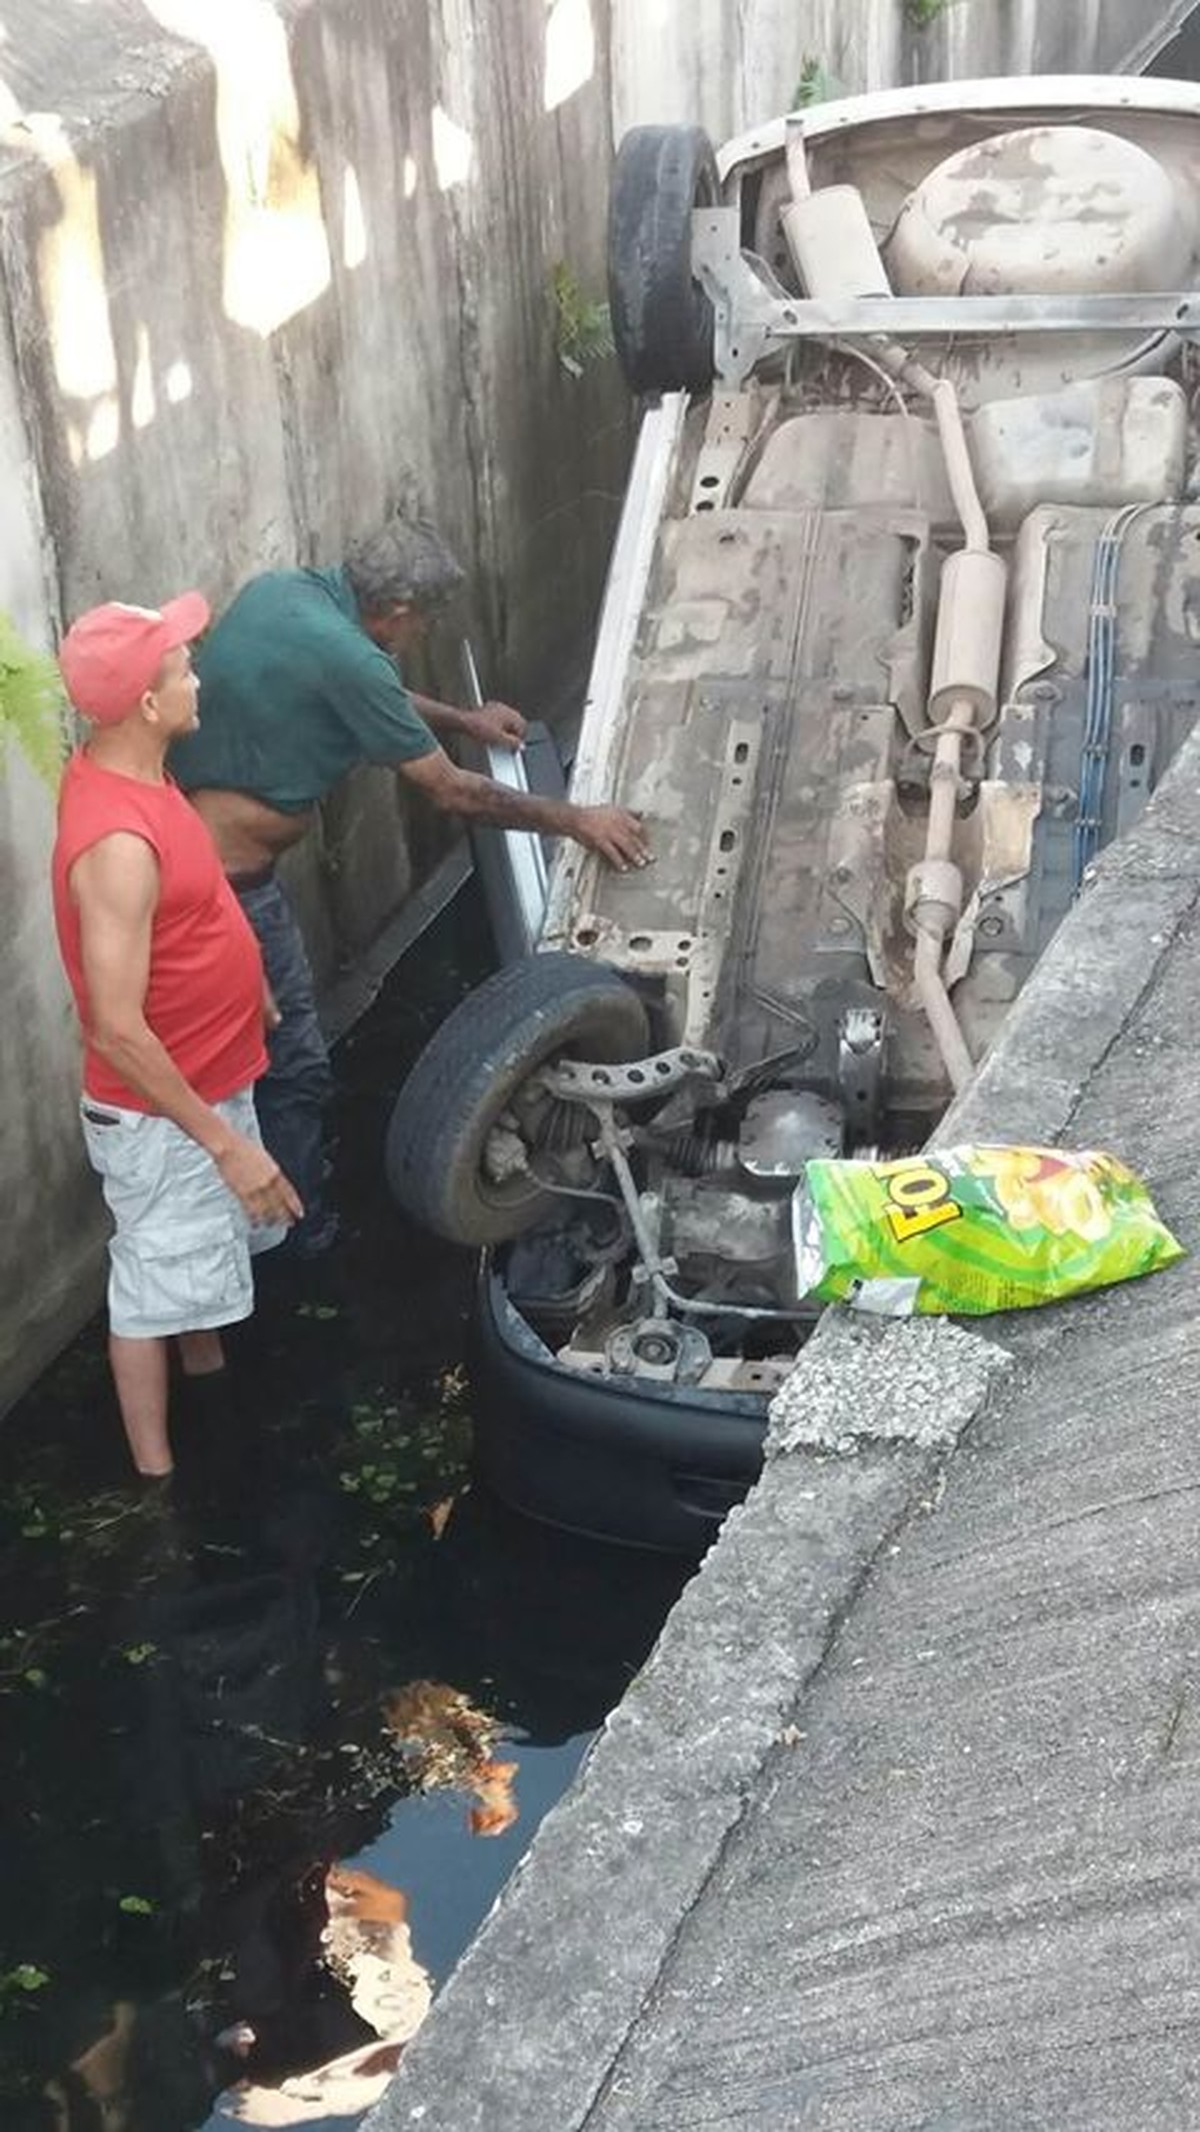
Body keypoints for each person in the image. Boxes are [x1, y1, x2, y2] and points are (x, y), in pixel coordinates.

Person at [169, 517, 652, 1257]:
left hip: (196, 865)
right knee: (294, 1061)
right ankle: (296, 1233)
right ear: (398, 611)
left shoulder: (286, 597)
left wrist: (462, 719)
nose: (423, 630)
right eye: (424, 618)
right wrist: (575, 819)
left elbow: (371, 691)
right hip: (229, 893)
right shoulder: (350, 657)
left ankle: (269, 1198)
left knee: (260, 1051)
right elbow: (452, 793)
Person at [50, 598, 303, 1480]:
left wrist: (251, 975)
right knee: (150, 1286)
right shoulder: (115, 843)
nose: (199, 680)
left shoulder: (143, 773)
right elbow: (116, 1029)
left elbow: (196, 895)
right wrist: (226, 1145)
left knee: (193, 1264)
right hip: (164, 1117)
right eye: (183, 670)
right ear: (149, 705)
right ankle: (161, 1489)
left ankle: (212, 1375)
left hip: (207, 1075)